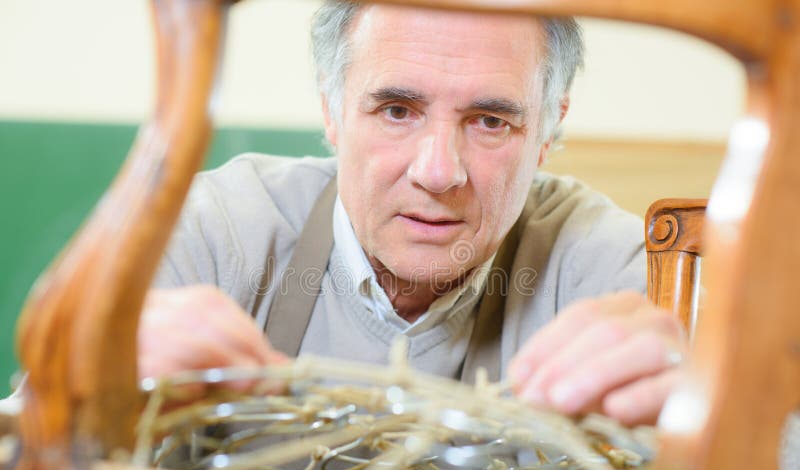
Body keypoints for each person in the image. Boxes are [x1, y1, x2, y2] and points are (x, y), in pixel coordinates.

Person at [139, 0, 686, 426]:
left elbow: (763, 461)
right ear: (332, 110)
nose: (438, 171)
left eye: (490, 121)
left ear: (547, 129)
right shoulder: (216, 230)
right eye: (397, 111)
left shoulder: (611, 265)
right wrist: (84, 366)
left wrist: (702, 399)